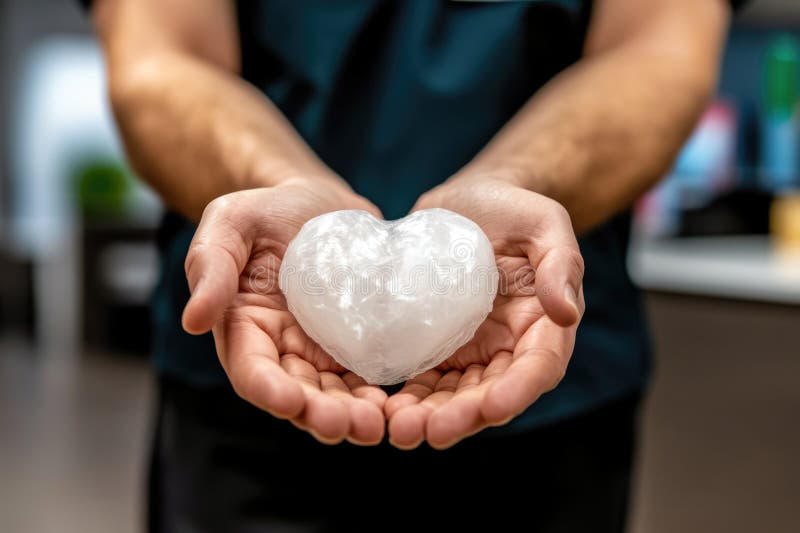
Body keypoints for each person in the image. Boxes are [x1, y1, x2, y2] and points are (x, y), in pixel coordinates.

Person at [82, 0, 734, 531]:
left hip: (543, 380)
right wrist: (276, 182)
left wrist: (517, 180)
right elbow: (159, 58)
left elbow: (658, 51)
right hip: (250, 384)